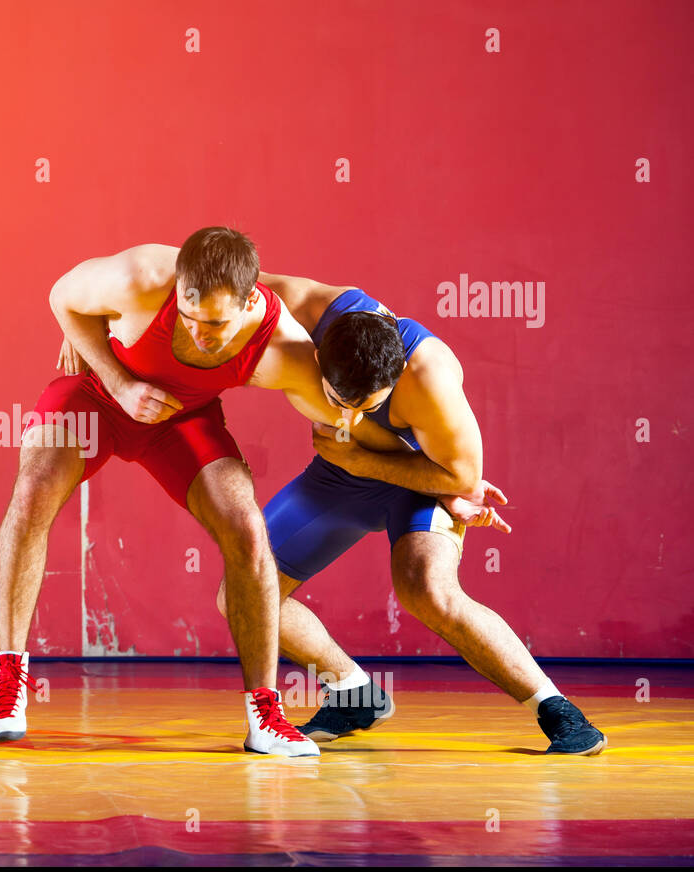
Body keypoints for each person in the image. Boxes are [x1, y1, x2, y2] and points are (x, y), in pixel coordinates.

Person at [0, 227, 402, 755]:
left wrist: (446, 478)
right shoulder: (142, 277)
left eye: (217, 324)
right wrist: (118, 381)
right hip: (98, 395)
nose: (202, 333)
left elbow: (347, 421)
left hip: (181, 420)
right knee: (32, 493)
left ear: (251, 301)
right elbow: (62, 296)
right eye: (190, 315)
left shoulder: (281, 346)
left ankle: (265, 715)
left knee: (248, 527)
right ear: (178, 286)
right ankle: (8, 678)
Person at [218, 274, 606, 755]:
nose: (347, 417)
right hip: (340, 477)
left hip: (419, 482)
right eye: (339, 401)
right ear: (321, 356)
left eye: (367, 406)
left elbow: (463, 479)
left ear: (395, 377)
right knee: (245, 592)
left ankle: (559, 712)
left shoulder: (429, 375)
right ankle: (353, 693)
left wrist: (361, 459)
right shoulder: (311, 306)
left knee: (427, 589)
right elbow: (230, 279)